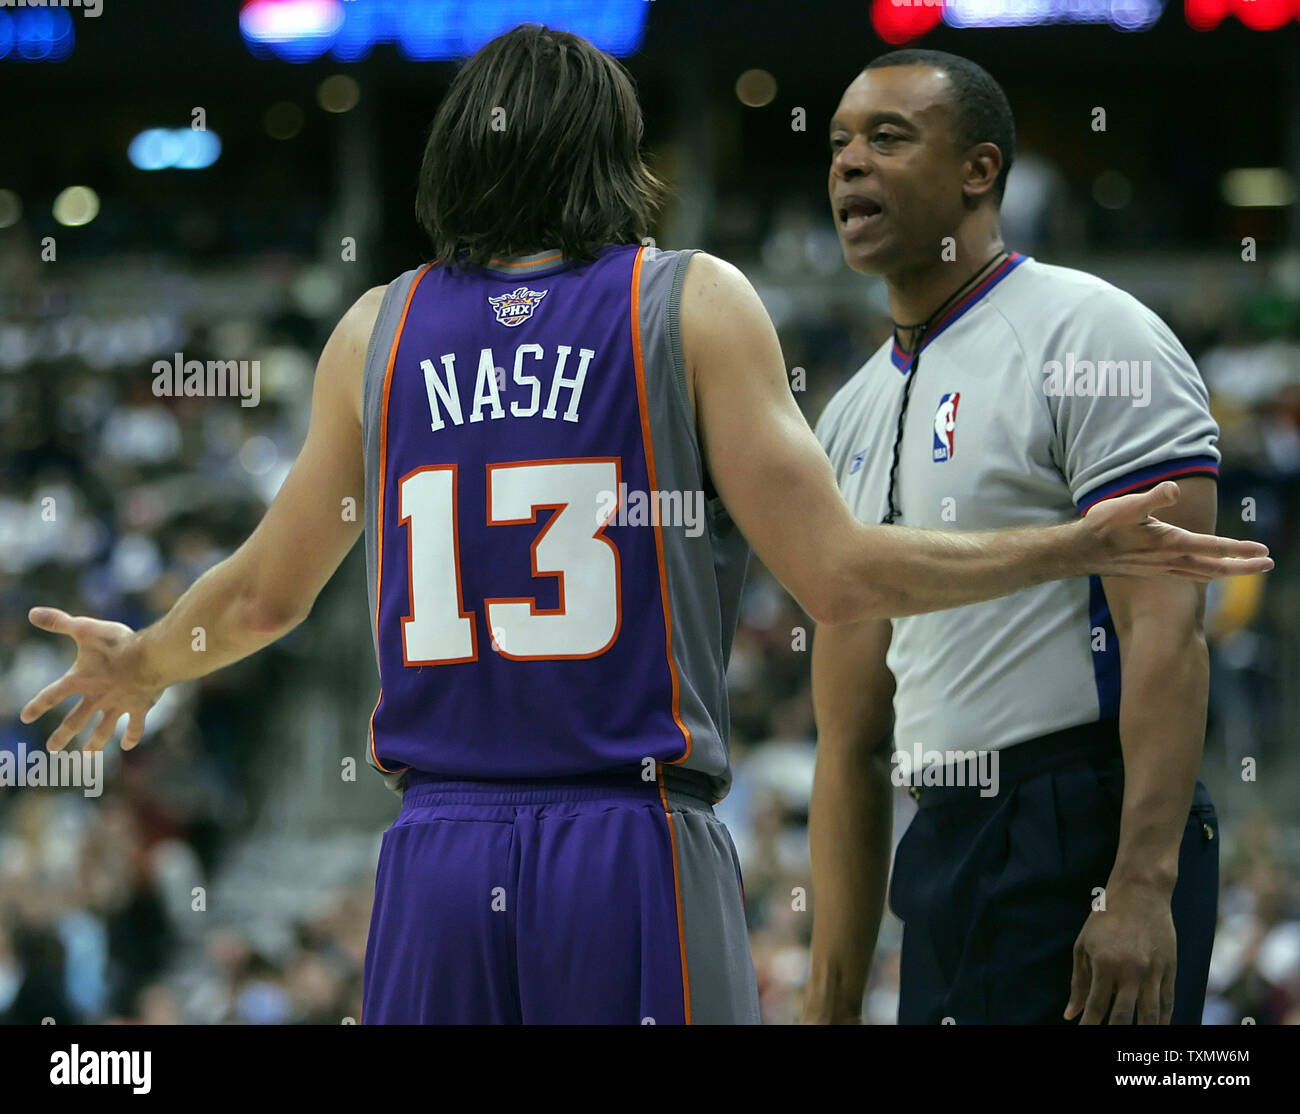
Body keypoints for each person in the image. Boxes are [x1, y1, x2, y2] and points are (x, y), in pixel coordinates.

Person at [20, 29, 1269, 1026]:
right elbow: (840, 576)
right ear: (614, 158)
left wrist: (142, 659)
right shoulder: (689, 301)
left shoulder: (375, 331)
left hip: (435, 855)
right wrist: (1072, 544)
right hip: (625, 844)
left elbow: (257, 602)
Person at [804, 49, 1249, 1025]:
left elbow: (1165, 632)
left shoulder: (1093, 334)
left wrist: (1138, 885)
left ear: (979, 170)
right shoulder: (845, 414)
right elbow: (847, 737)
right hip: (943, 838)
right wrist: (828, 997)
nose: (847, 163)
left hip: (1078, 817)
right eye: (838, 142)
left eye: (887, 137)